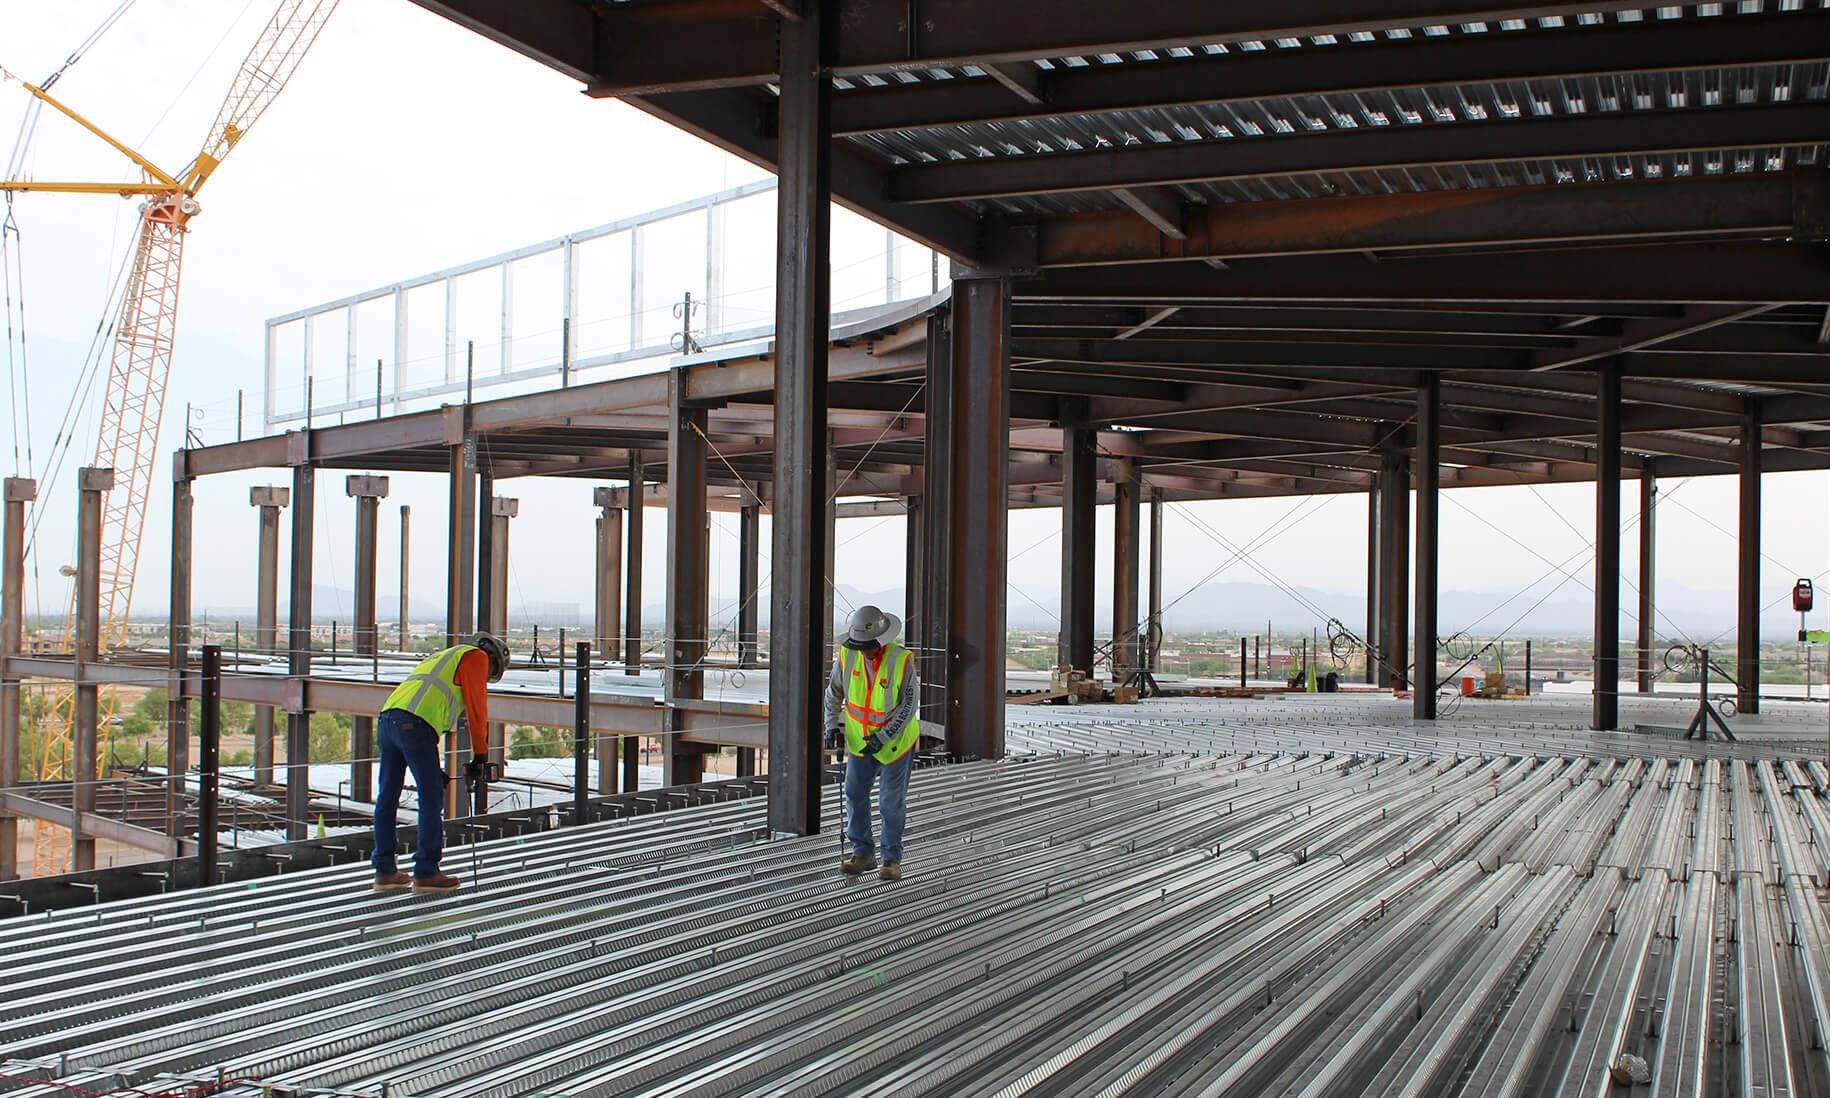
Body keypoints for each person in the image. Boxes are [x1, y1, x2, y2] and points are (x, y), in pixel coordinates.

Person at [370, 632, 509, 893]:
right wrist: (481, 755)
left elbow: (430, 705)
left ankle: (385, 871)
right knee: (431, 797)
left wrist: (435, 769)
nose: (485, 677)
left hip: (388, 721)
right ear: (492, 658)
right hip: (414, 726)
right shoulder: (477, 657)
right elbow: (477, 708)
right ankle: (426, 871)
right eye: (491, 672)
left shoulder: (443, 657)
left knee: (387, 796)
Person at [824, 605, 920, 881]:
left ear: (882, 640)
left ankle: (891, 859)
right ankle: (863, 853)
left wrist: (884, 736)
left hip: (895, 744)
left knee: (890, 802)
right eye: (860, 645)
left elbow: (908, 706)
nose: (864, 651)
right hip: (860, 742)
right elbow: (834, 693)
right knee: (854, 794)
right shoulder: (847, 655)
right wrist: (831, 726)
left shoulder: (901, 660)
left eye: (869, 646)